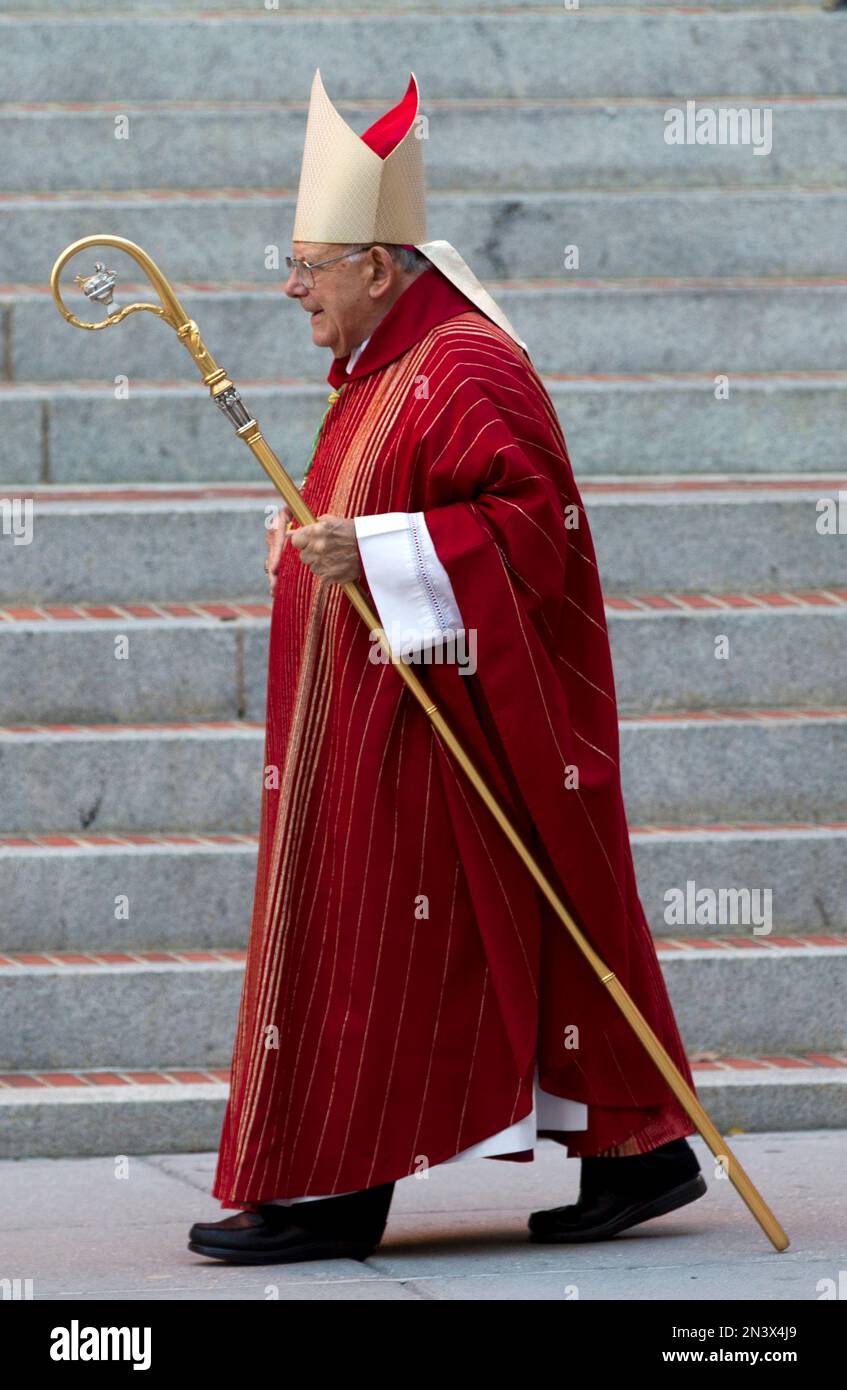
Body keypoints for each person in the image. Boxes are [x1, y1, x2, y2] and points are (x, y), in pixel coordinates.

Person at [188, 69, 706, 1267]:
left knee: (378, 933)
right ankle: (634, 1146)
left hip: (438, 730)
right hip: (364, 716)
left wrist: (371, 546)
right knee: (411, 925)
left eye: (311, 263)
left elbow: (539, 533)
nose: (291, 284)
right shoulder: (381, 366)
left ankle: (337, 1182)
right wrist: (326, 541)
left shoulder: (466, 364)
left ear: (379, 264)